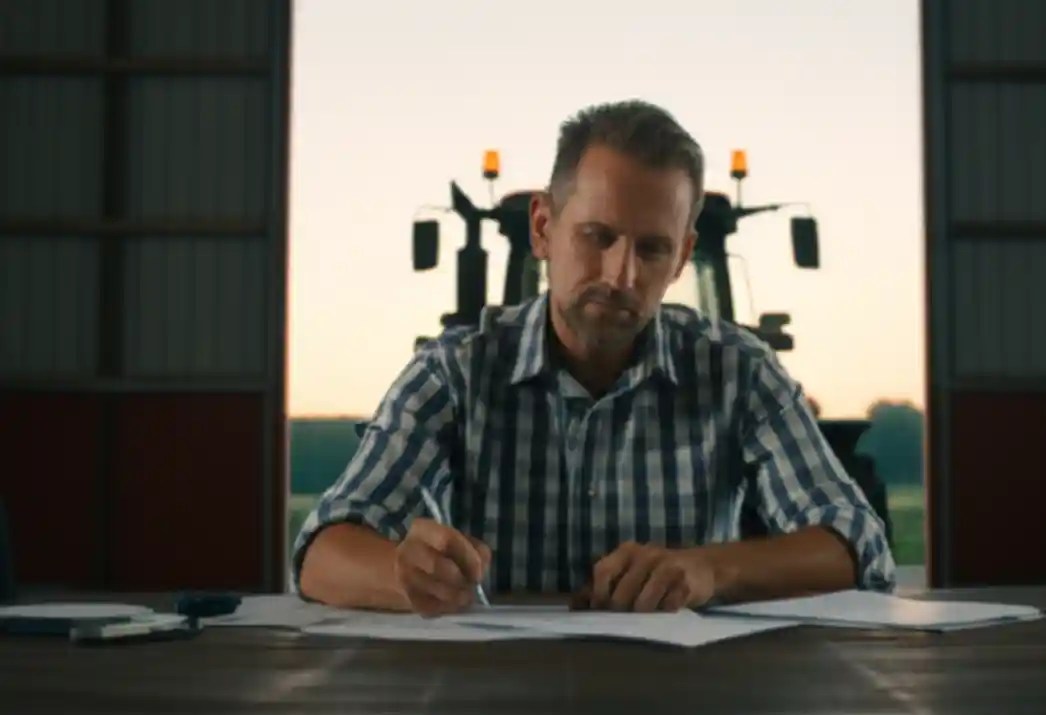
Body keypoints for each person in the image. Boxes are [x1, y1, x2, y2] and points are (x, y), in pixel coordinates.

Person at [293, 99, 896, 617]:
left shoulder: (740, 372)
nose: (621, 275)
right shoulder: (454, 373)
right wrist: (404, 574)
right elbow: (320, 554)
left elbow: (859, 544)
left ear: (684, 257)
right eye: (597, 236)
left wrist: (709, 571)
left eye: (653, 249)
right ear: (542, 228)